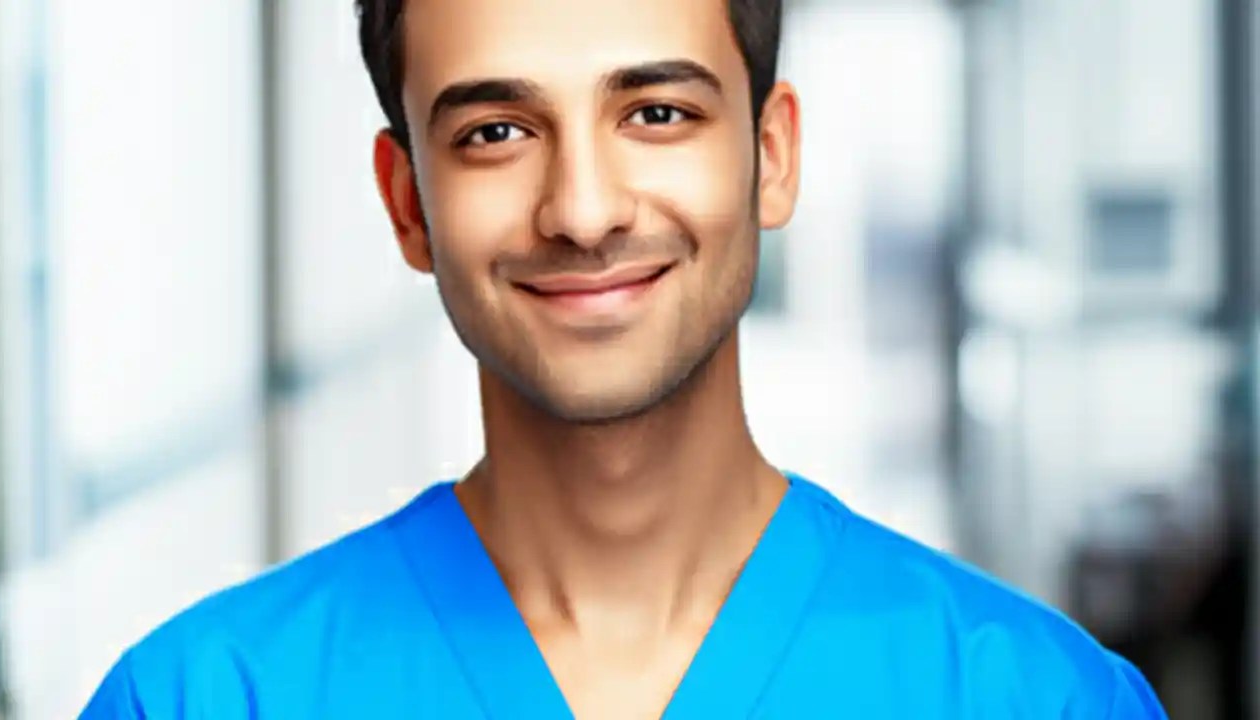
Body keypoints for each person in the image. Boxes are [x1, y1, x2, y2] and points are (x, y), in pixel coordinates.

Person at [81, 0, 1168, 717]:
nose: (583, 211)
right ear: (408, 202)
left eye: (655, 112)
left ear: (769, 155)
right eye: (495, 133)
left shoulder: (1025, 696)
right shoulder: (204, 698)